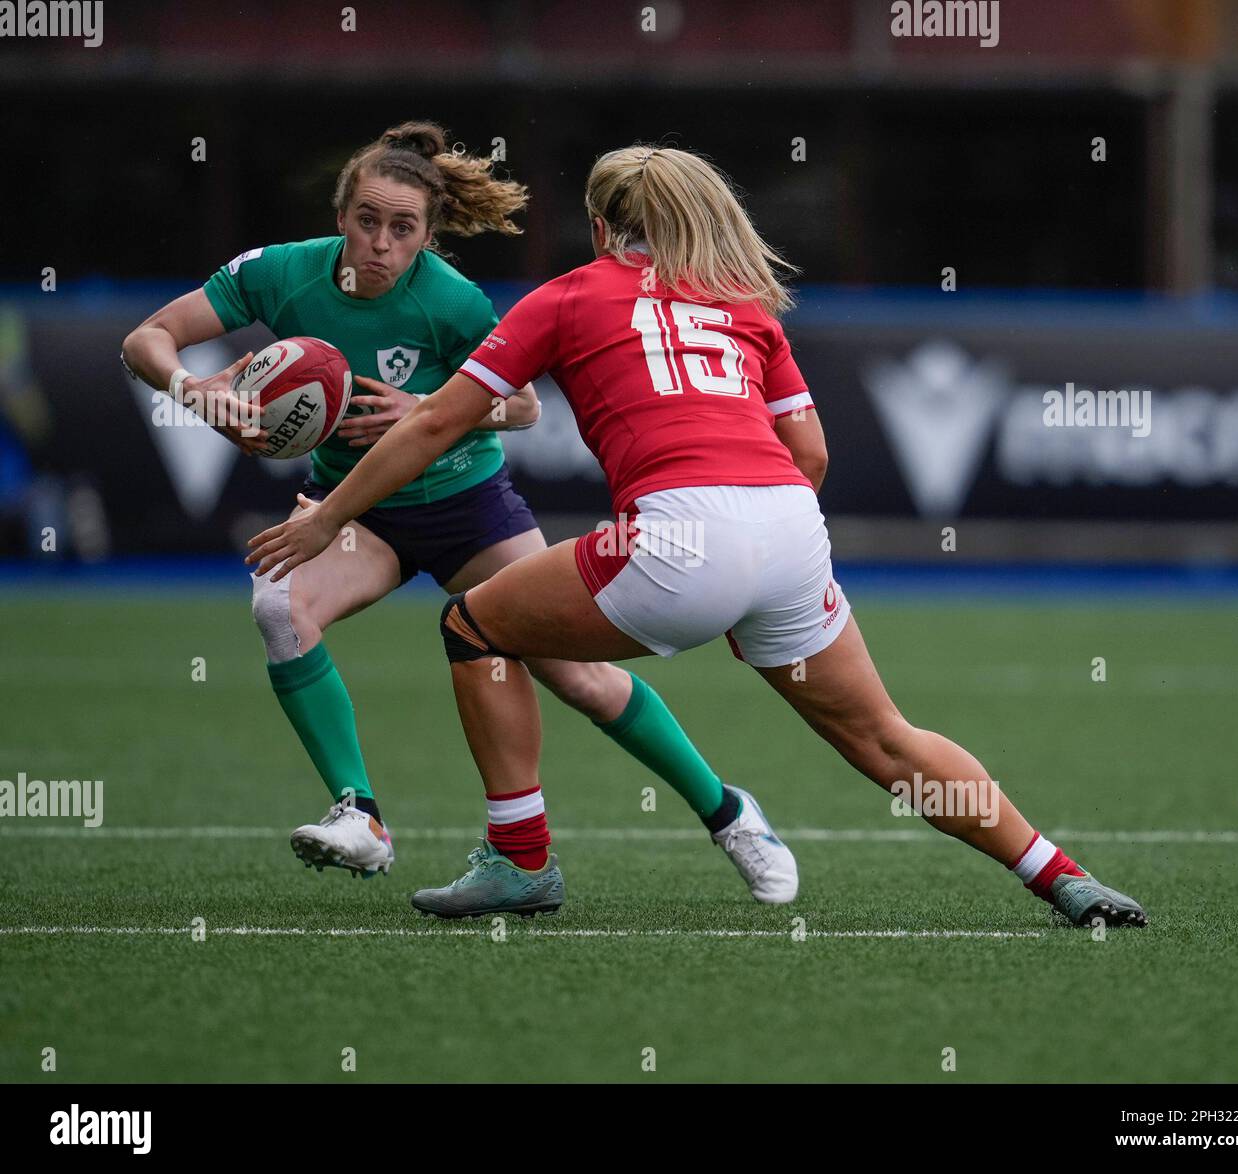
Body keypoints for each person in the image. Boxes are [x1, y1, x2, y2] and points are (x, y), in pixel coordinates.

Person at [247, 145, 1148, 929]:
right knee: (886, 738)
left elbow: (439, 424)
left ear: (602, 227)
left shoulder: (564, 297)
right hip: (791, 529)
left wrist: (328, 516)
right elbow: (811, 453)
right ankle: (1061, 876)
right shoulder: (741, 302)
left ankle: (520, 863)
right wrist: (752, 573)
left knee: (474, 628)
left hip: (681, 537)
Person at [122, 126, 798, 904]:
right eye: (367, 220)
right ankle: (361, 817)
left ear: (428, 235)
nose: (381, 242)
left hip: (468, 507)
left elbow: (521, 406)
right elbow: (149, 340)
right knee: (280, 606)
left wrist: (432, 408)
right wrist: (193, 391)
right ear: (342, 214)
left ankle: (727, 812)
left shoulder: (452, 300)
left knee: (576, 678)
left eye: (403, 228)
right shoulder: (278, 273)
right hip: (360, 512)